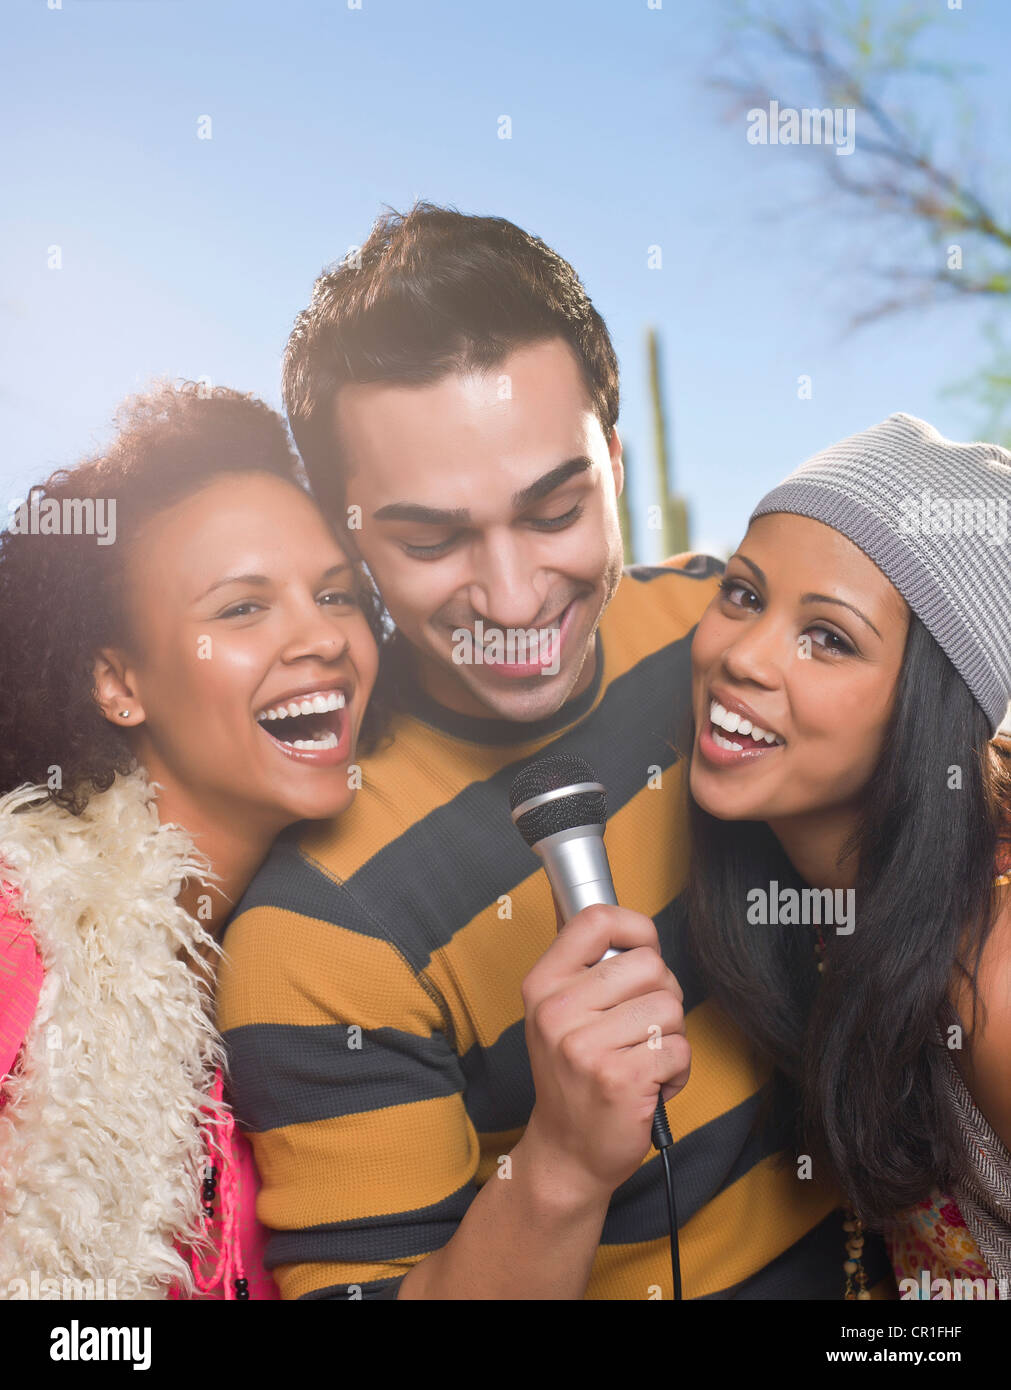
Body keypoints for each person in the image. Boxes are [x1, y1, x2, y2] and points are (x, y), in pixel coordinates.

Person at [216, 201, 896, 1299]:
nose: (515, 596)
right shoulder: (314, 931)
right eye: (431, 538)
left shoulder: (723, 640)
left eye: (554, 508)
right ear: (349, 540)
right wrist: (562, 1170)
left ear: (616, 467)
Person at [0, 381, 382, 1299]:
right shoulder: (25, 929)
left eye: (334, 593)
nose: (321, 637)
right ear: (118, 681)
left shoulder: (293, 981)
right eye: (242, 609)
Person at [682, 412, 1011, 1299]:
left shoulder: (995, 972)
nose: (742, 657)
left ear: (929, 708)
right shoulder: (830, 916)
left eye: (826, 638)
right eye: (743, 595)